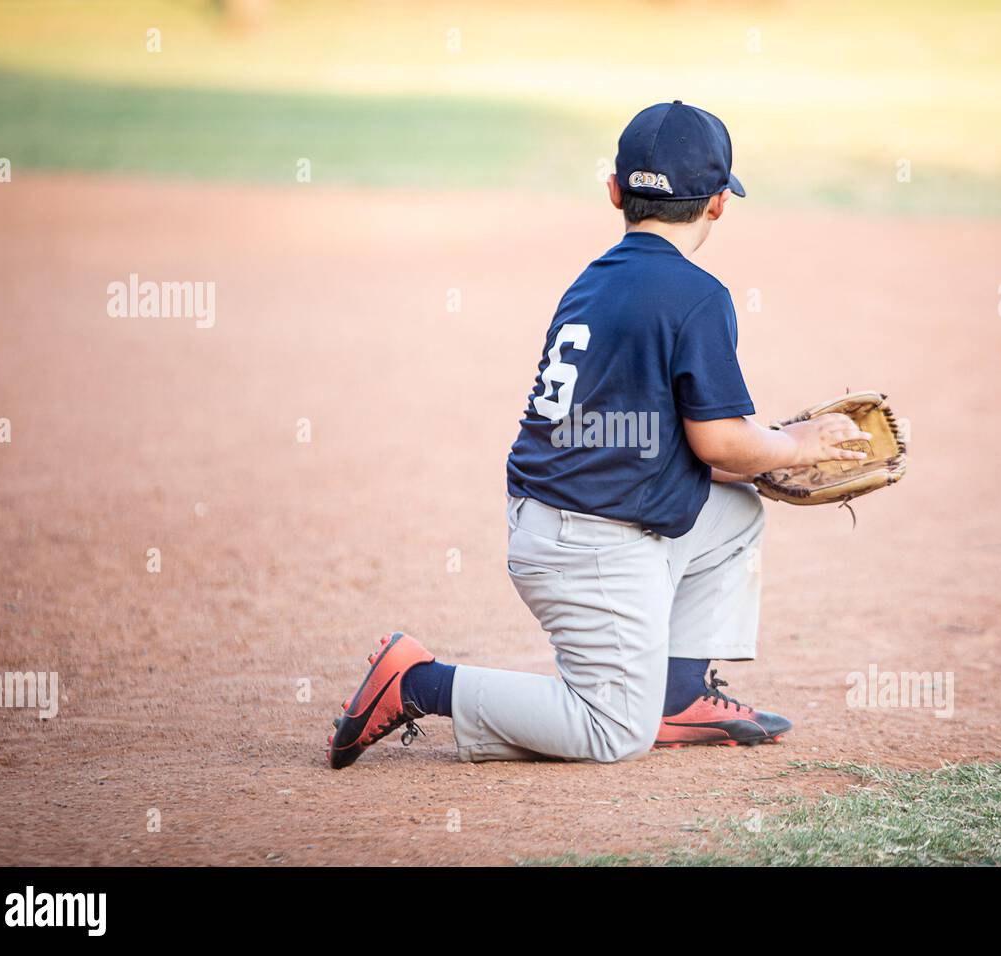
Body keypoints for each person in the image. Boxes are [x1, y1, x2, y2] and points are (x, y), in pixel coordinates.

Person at [328, 101, 868, 768]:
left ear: (615, 191)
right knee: (613, 733)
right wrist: (794, 445)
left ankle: (675, 696)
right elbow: (718, 442)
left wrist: (765, 454)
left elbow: (670, 442)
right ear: (719, 203)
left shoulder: (595, 281)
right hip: (590, 546)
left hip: (558, 522)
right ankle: (418, 682)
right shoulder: (698, 295)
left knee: (732, 513)